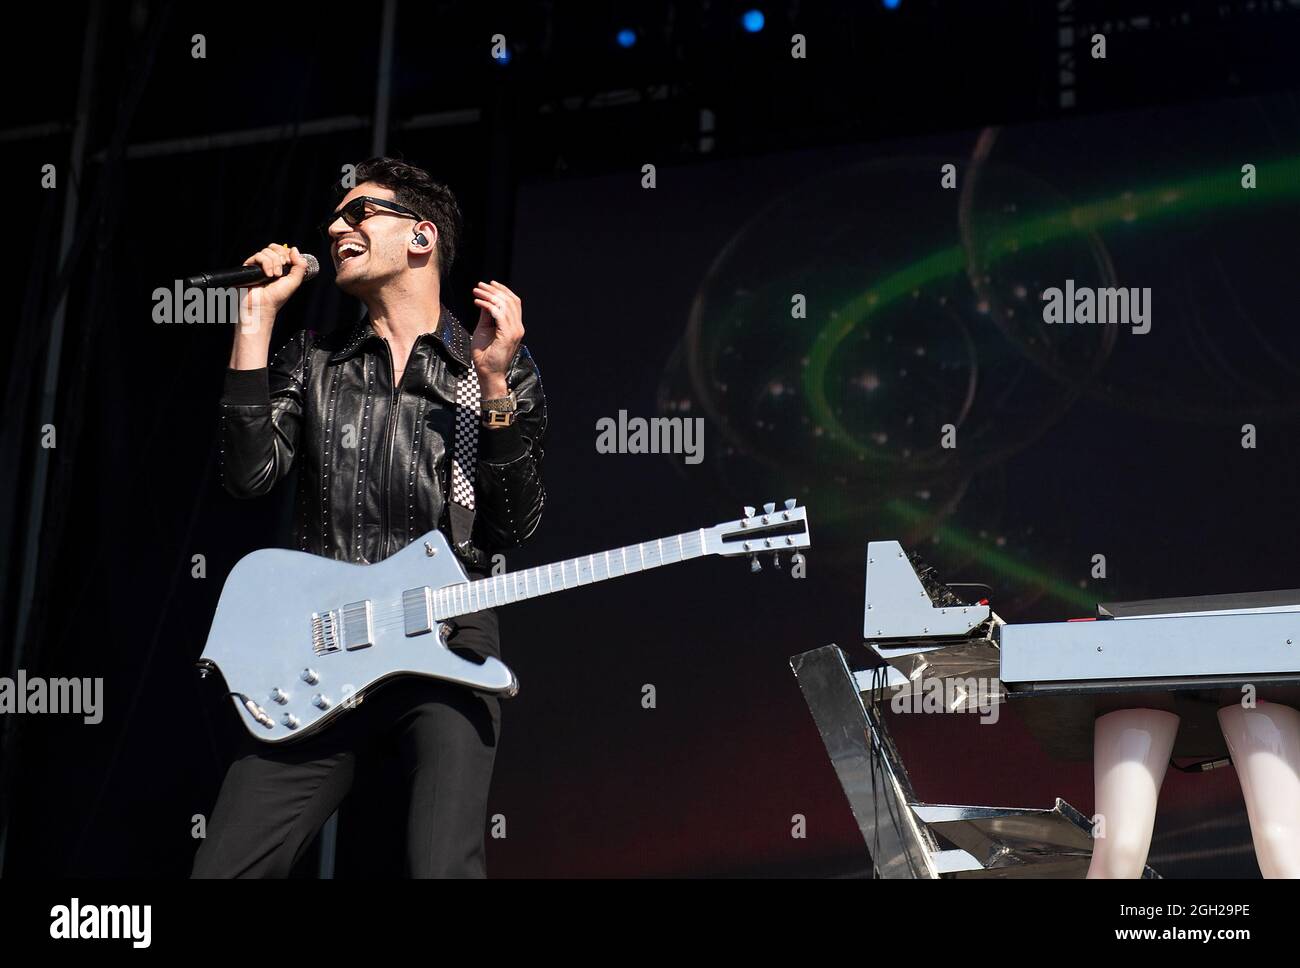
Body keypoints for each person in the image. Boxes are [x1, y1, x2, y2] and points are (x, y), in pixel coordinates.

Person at [192, 157, 546, 878]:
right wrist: (256, 323)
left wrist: (498, 383)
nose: (334, 227)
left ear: (420, 237)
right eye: (334, 217)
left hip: (445, 636)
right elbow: (249, 475)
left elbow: (517, 523)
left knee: (442, 864)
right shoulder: (316, 360)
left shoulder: (483, 364)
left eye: (358, 214)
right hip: (319, 646)